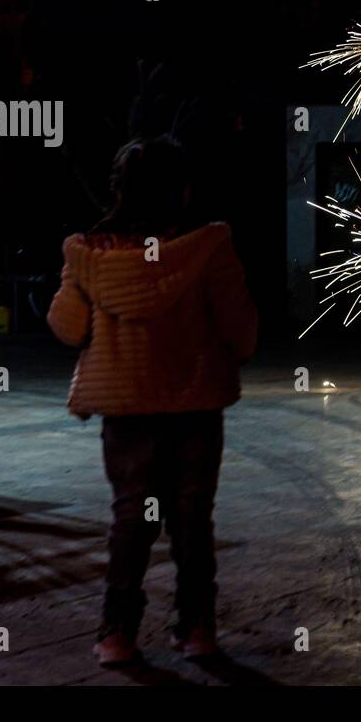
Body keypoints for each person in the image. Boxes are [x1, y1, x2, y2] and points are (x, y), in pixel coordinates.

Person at [47, 135, 258, 667]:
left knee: (130, 519)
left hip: (127, 409)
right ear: (181, 190)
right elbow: (241, 330)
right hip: (194, 404)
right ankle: (197, 629)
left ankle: (117, 634)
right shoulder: (207, 247)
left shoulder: (89, 255)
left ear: (118, 188)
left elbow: (68, 330)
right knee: (191, 519)